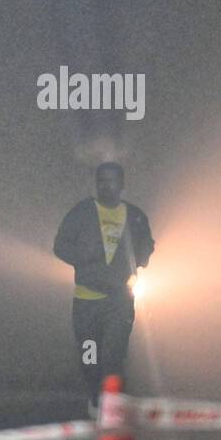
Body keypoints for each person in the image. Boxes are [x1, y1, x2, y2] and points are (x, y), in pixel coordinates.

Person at [53, 161, 154, 417]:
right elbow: (60, 245)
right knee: (89, 355)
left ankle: (111, 403)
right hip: (86, 300)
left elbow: (147, 245)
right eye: (101, 180)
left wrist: (134, 265)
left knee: (114, 354)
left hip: (119, 301)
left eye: (111, 180)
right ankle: (95, 396)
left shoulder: (135, 216)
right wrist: (83, 258)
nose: (105, 185)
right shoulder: (82, 212)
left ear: (122, 185)